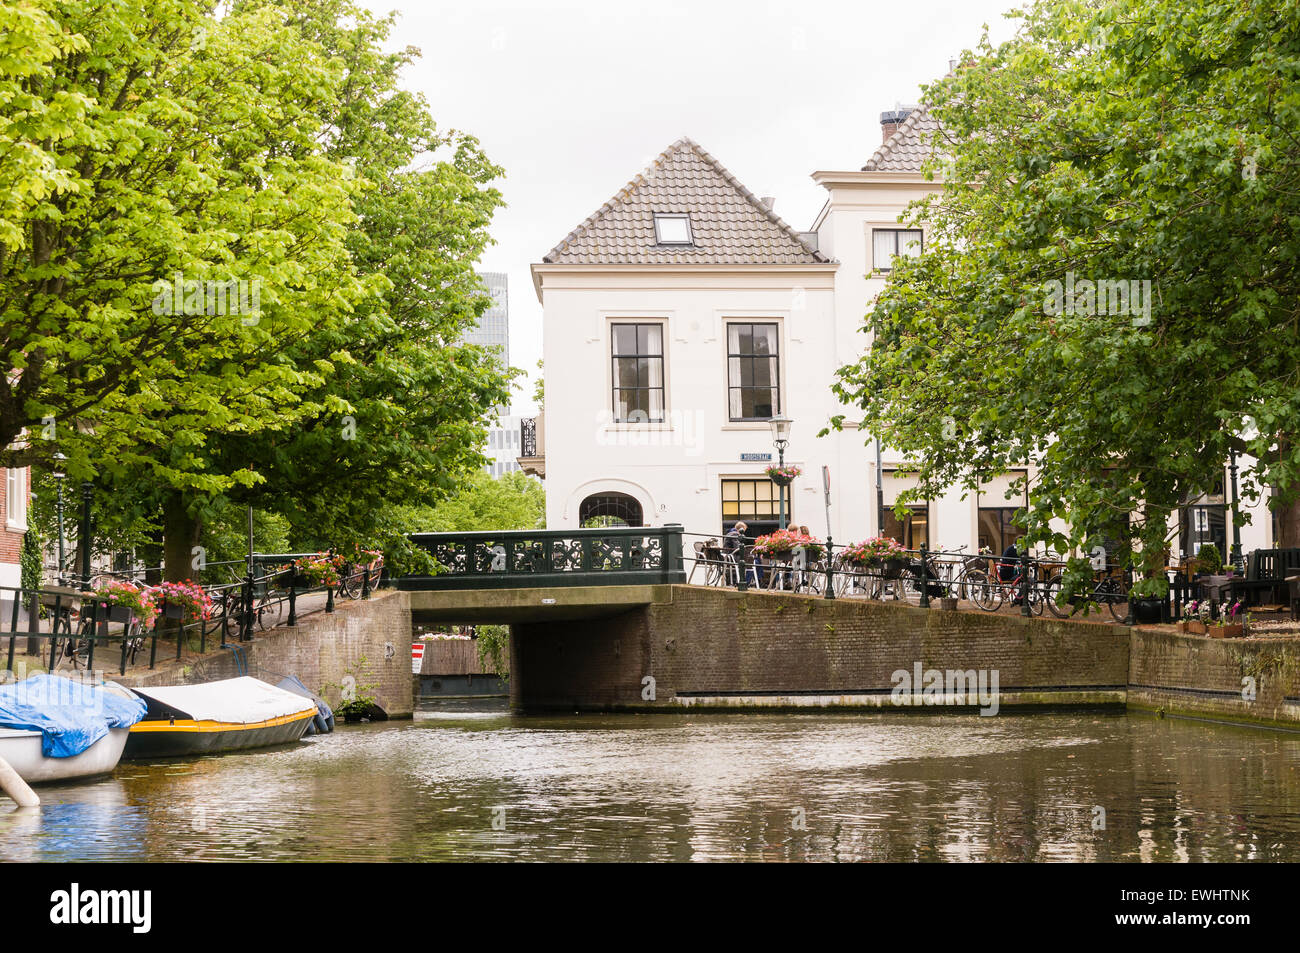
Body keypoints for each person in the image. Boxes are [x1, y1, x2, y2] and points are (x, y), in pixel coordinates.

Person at [723, 521, 748, 587]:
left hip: (728, 556)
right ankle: (742, 582)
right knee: (747, 561)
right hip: (731, 557)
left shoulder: (729, 533)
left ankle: (740, 581)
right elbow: (738, 547)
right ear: (741, 530)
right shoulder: (735, 534)